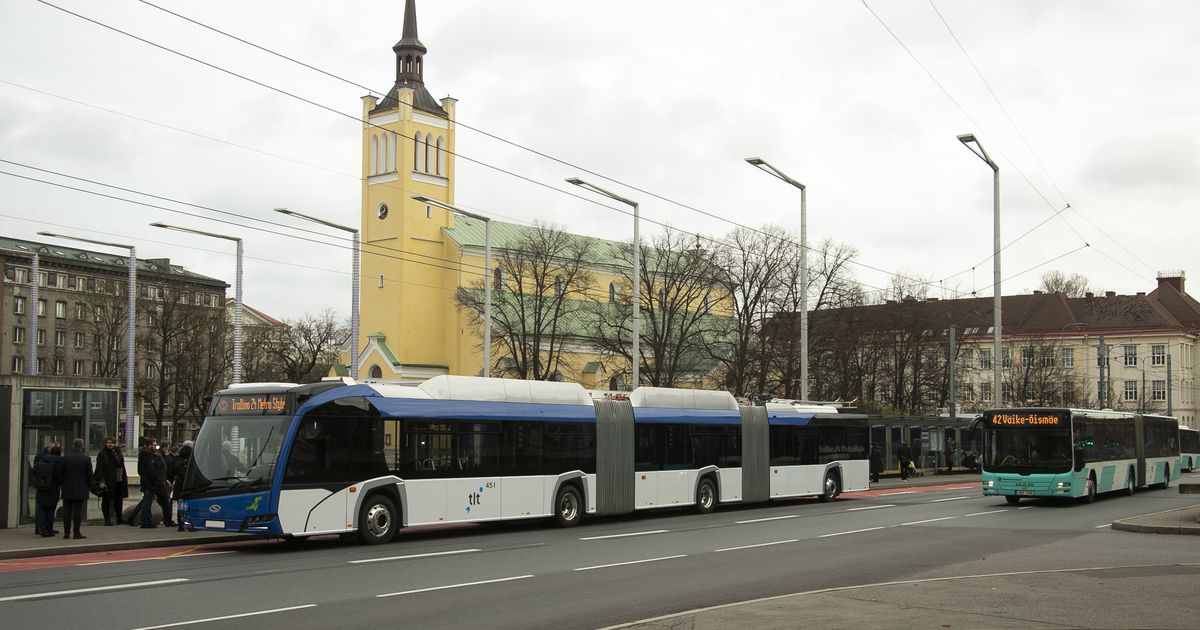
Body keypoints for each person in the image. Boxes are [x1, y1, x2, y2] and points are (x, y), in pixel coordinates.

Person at [57, 438, 94, 539]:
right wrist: (89, 485)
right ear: (82, 446)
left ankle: (66, 533)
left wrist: (62, 484)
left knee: (67, 511)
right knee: (78, 511)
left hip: (67, 487)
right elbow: (90, 475)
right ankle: (76, 532)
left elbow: (59, 473)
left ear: (73, 446)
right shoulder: (86, 459)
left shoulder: (65, 458)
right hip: (81, 488)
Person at [93, 436, 128, 525]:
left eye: (112, 443)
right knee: (107, 500)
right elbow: (99, 469)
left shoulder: (118, 452)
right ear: (106, 443)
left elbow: (121, 465)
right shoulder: (102, 454)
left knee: (119, 500)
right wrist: (102, 481)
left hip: (119, 479)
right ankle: (107, 519)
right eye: (108, 443)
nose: (110, 444)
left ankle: (119, 518)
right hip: (108, 480)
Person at [32, 443, 62, 538]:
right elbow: (60, 476)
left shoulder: (41, 459)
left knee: (41, 509)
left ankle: (40, 528)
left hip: (41, 488)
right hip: (53, 488)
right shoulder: (59, 461)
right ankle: (49, 529)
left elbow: (34, 472)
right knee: (50, 510)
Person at [136, 438, 166, 528]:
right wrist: (157, 479)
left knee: (147, 502)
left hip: (146, 482)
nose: (155, 447)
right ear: (149, 445)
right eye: (154, 445)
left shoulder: (143, 455)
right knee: (147, 503)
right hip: (150, 483)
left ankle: (147, 520)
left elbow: (140, 470)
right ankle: (145, 521)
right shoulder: (149, 456)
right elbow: (151, 470)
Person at [172, 441, 193, 530]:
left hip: (178, 486)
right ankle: (188, 525)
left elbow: (173, 472)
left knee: (181, 506)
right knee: (188, 507)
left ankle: (181, 525)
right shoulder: (190, 460)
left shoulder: (178, 459)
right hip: (188, 487)